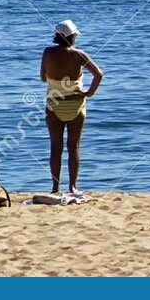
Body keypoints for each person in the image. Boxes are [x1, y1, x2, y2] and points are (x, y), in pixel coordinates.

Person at [40, 18, 103, 193]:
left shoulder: (47, 52)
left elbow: (43, 78)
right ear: (72, 36)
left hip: (54, 105)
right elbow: (98, 74)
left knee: (56, 148)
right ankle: (73, 187)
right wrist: (88, 93)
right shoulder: (79, 55)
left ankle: (55, 187)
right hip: (76, 105)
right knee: (74, 147)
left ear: (56, 36)